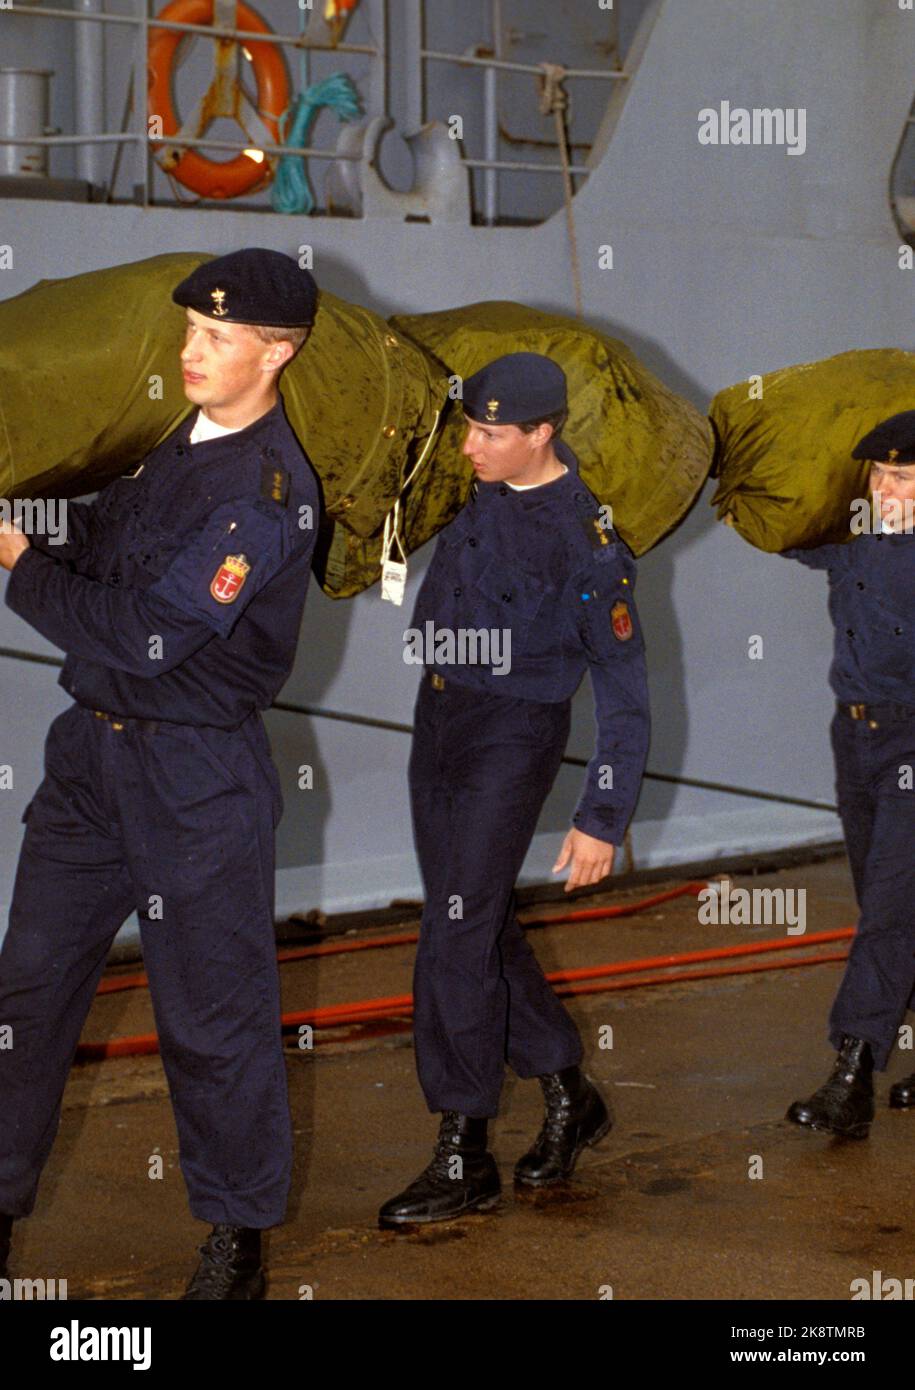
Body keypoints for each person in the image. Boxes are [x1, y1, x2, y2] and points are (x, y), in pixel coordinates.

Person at [0, 247, 321, 1298]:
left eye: (217, 338)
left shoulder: (269, 494)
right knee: (28, 989)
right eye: (189, 331)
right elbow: (104, 537)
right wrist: (31, 516)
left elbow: (147, 633)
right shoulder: (177, 447)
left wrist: (15, 566)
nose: (190, 352)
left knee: (211, 1014)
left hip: (193, 776)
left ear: (278, 352)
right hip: (91, 758)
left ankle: (237, 1241)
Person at [380, 353, 651, 1227]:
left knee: (452, 936)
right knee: (475, 919)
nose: (471, 447)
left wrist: (602, 817)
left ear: (542, 433)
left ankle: (462, 1152)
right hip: (442, 722)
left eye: (490, 433)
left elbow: (625, 690)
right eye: (470, 428)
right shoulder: (478, 488)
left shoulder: (588, 542)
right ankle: (571, 1092)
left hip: (512, 736)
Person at [784, 411, 915, 1139]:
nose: (882, 487)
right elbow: (782, 527)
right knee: (884, 893)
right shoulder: (851, 544)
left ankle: (852, 1071)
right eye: (876, 473)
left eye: (899, 476)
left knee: (890, 907)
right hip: (855, 735)